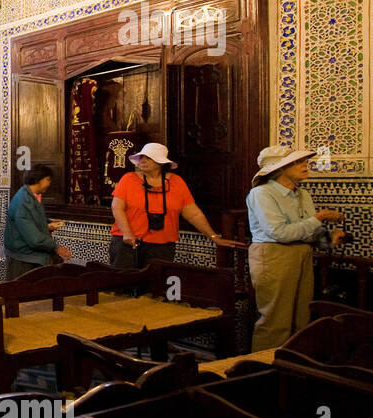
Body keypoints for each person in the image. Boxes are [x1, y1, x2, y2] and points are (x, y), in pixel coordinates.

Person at [245, 146, 349, 352]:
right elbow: (279, 233)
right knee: (275, 320)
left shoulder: (303, 194)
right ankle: (264, 371)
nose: (304, 164)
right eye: (296, 162)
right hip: (273, 256)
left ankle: (293, 369)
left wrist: (329, 240)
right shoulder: (262, 193)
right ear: (279, 169)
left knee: (302, 316)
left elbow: (307, 232)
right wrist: (319, 218)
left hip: (302, 255)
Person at [108, 142, 228, 268]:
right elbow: (117, 207)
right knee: (124, 283)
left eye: (148, 157)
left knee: (156, 285)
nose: (143, 160)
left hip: (162, 246)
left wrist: (214, 237)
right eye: (142, 157)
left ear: (160, 163)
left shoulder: (177, 182)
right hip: (128, 244)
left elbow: (193, 214)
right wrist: (127, 233)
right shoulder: (128, 179)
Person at [4, 166, 71, 279]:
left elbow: (33, 221)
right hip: (24, 258)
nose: (49, 184)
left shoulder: (31, 197)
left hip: (29, 256)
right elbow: (34, 239)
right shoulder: (23, 201)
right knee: (23, 293)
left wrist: (48, 224)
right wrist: (56, 247)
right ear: (39, 179)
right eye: (48, 180)